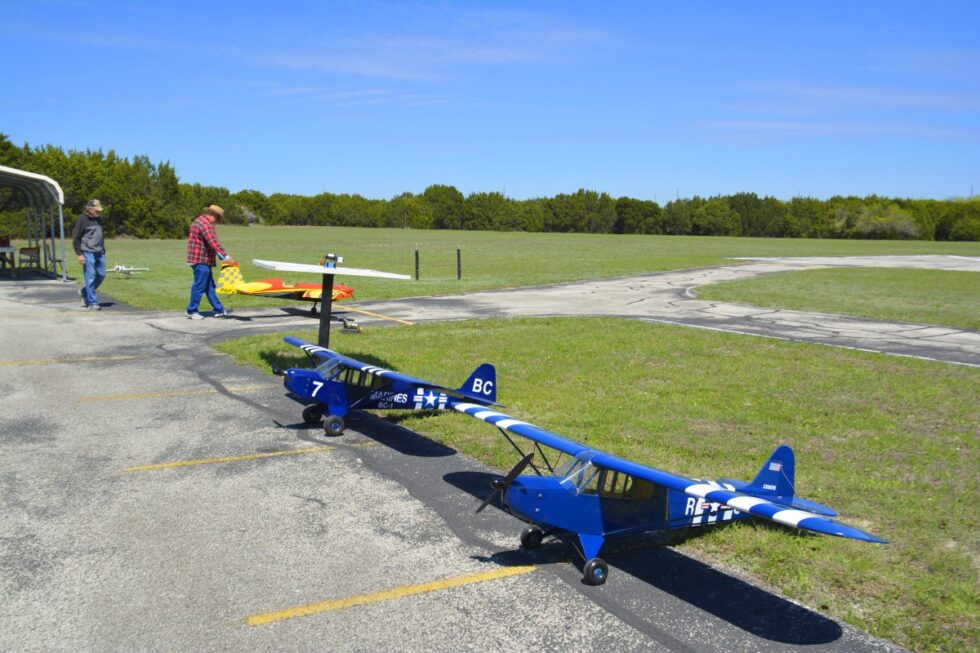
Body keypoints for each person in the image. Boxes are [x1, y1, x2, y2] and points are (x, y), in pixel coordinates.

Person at [185, 204, 235, 319]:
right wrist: (226, 256)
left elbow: (209, 243)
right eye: (217, 219)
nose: (216, 222)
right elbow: (213, 242)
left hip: (200, 259)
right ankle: (192, 311)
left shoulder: (199, 221)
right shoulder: (205, 224)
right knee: (199, 286)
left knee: (209, 286)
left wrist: (222, 257)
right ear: (213, 215)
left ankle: (219, 309)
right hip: (200, 260)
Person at [72, 199, 106, 310]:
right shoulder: (82, 219)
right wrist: (80, 254)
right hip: (87, 252)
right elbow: (76, 238)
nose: (99, 212)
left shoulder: (99, 219)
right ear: (90, 209)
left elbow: (100, 236)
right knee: (90, 277)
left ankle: (84, 291)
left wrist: (103, 249)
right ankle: (92, 303)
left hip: (99, 252)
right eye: (97, 210)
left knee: (101, 275)